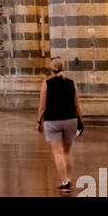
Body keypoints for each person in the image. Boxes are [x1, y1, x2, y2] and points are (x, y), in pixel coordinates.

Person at [37, 56, 83, 192]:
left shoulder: (46, 84)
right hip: (70, 120)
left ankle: (64, 183)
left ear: (51, 70)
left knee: (58, 153)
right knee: (68, 152)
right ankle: (68, 178)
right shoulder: (71, 83)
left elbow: (42, 106)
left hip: (53, 121)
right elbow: (77, 106)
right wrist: (81, 122)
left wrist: (39, 121)